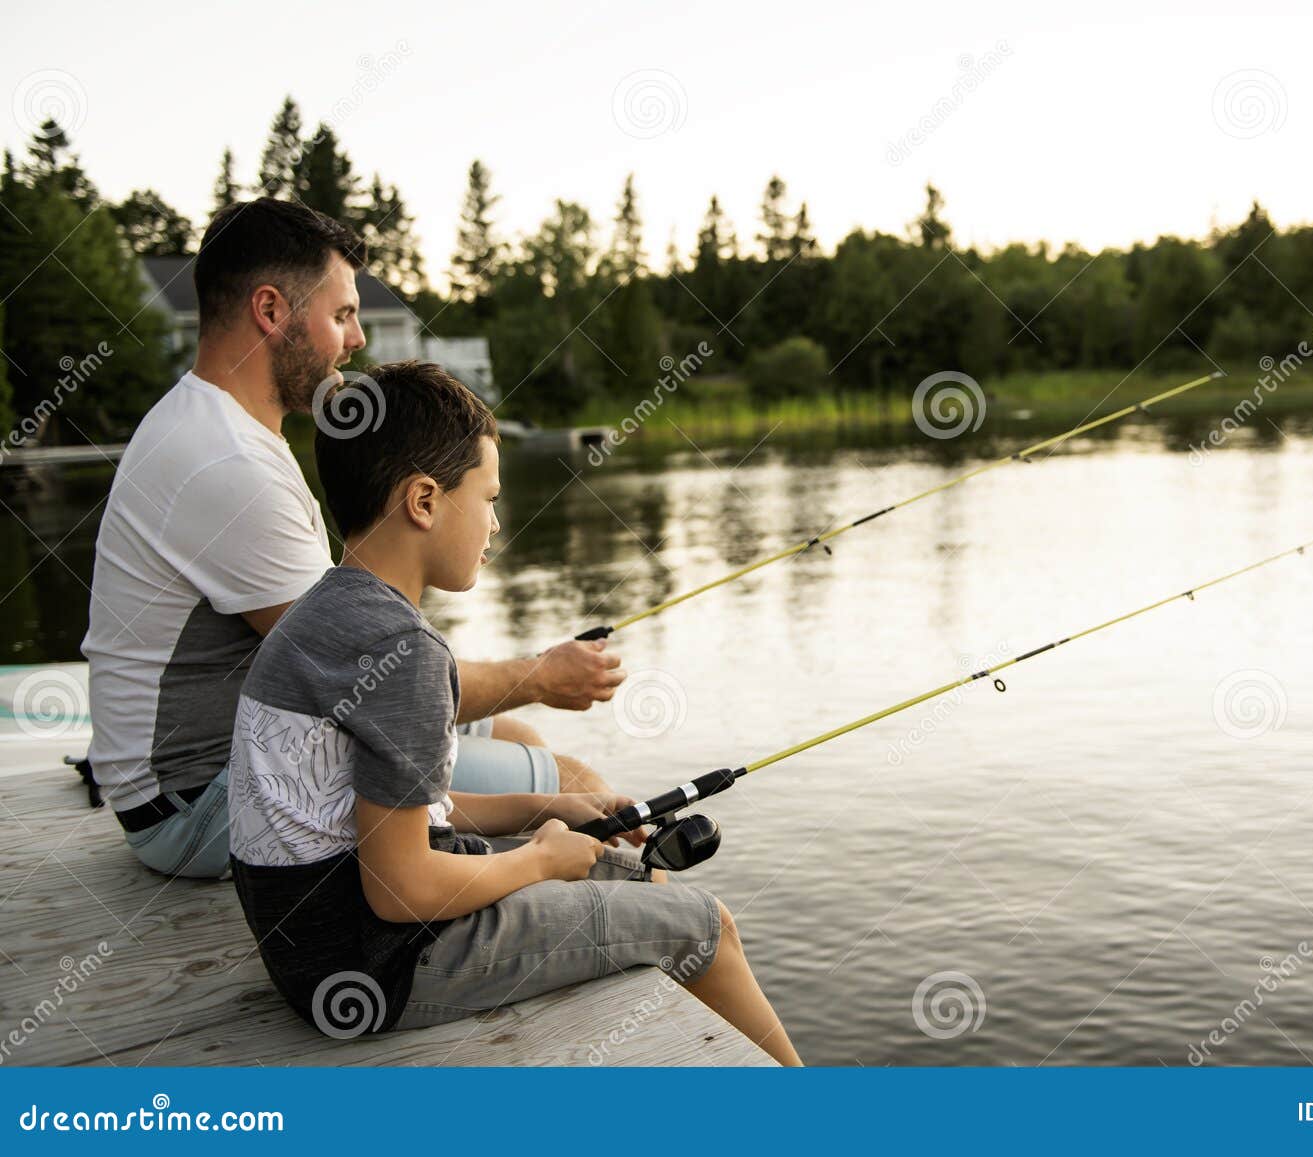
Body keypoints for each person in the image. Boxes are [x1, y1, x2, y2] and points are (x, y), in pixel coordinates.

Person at [228, 362, 800, 1064]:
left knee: (627, 871)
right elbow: (401, 888)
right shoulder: (402, 652)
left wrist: (547, 807)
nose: (496, 522)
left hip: (313, 950)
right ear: (424, 501)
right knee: (705, 926)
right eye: (489, 498)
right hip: (381, 964)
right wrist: (538, 860)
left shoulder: (325, 612)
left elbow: (395, 820)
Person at [81, 198, 623, 879]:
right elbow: (372, 674)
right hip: (195, 804)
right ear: (271, 310)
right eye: (342, 314)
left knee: (516, 737)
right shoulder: (226, 464)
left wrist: (528, 684)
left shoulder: (222, 427)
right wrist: (539, 675)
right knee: (571, 783)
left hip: (229, 766)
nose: (359, 338)